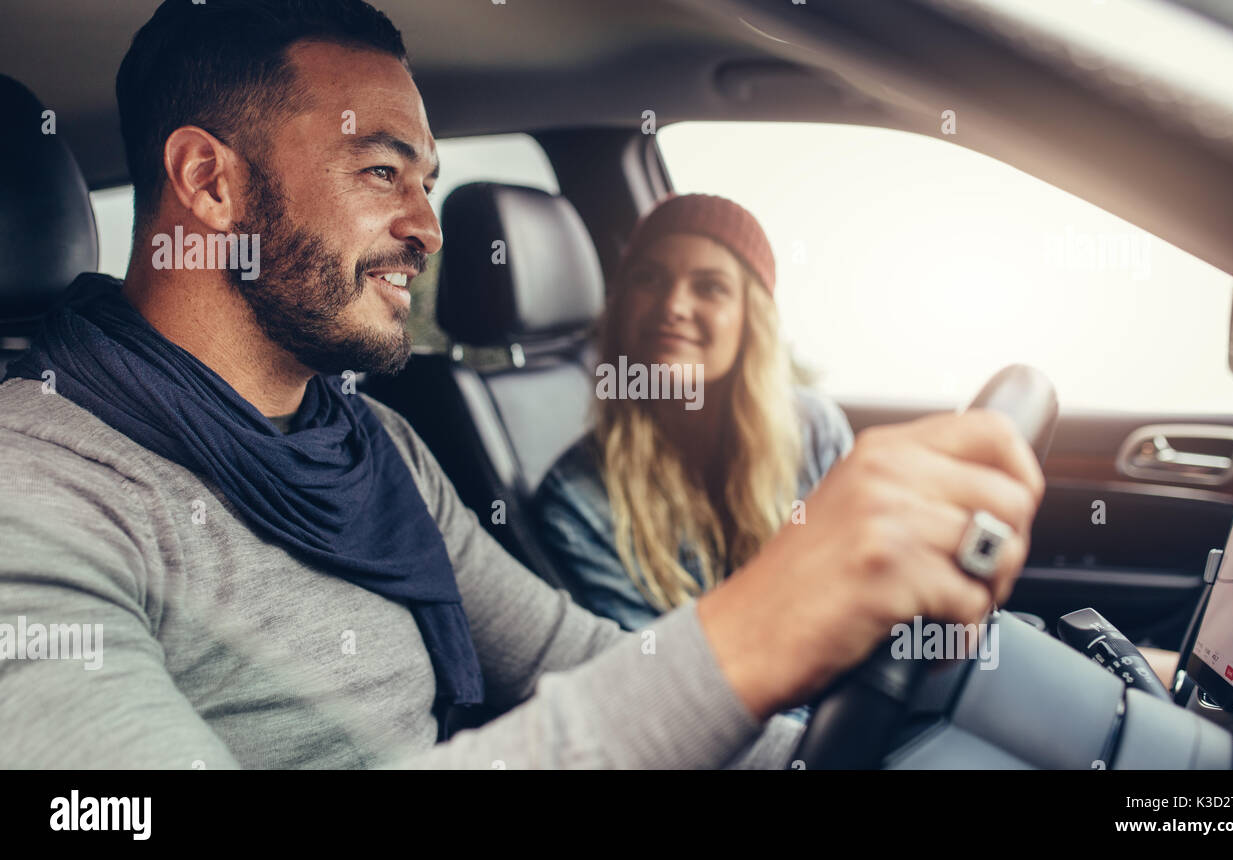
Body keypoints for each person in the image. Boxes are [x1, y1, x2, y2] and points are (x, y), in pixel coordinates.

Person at [0, 0, 1043, 769]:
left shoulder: (371, 446)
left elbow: (567, 659)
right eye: (380, 172)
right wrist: (759, 630)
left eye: (427, 183)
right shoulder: (31, 495)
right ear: (210, 181)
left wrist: (826, 743)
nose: (427, 229)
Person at [536, 194, 853, 649]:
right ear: (622, 306)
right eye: (649, 279)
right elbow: (662, 678)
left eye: (710, 287)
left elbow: (860, 596)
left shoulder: (815, 429)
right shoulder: (577, 499)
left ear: (751, 319)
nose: (674, 306)